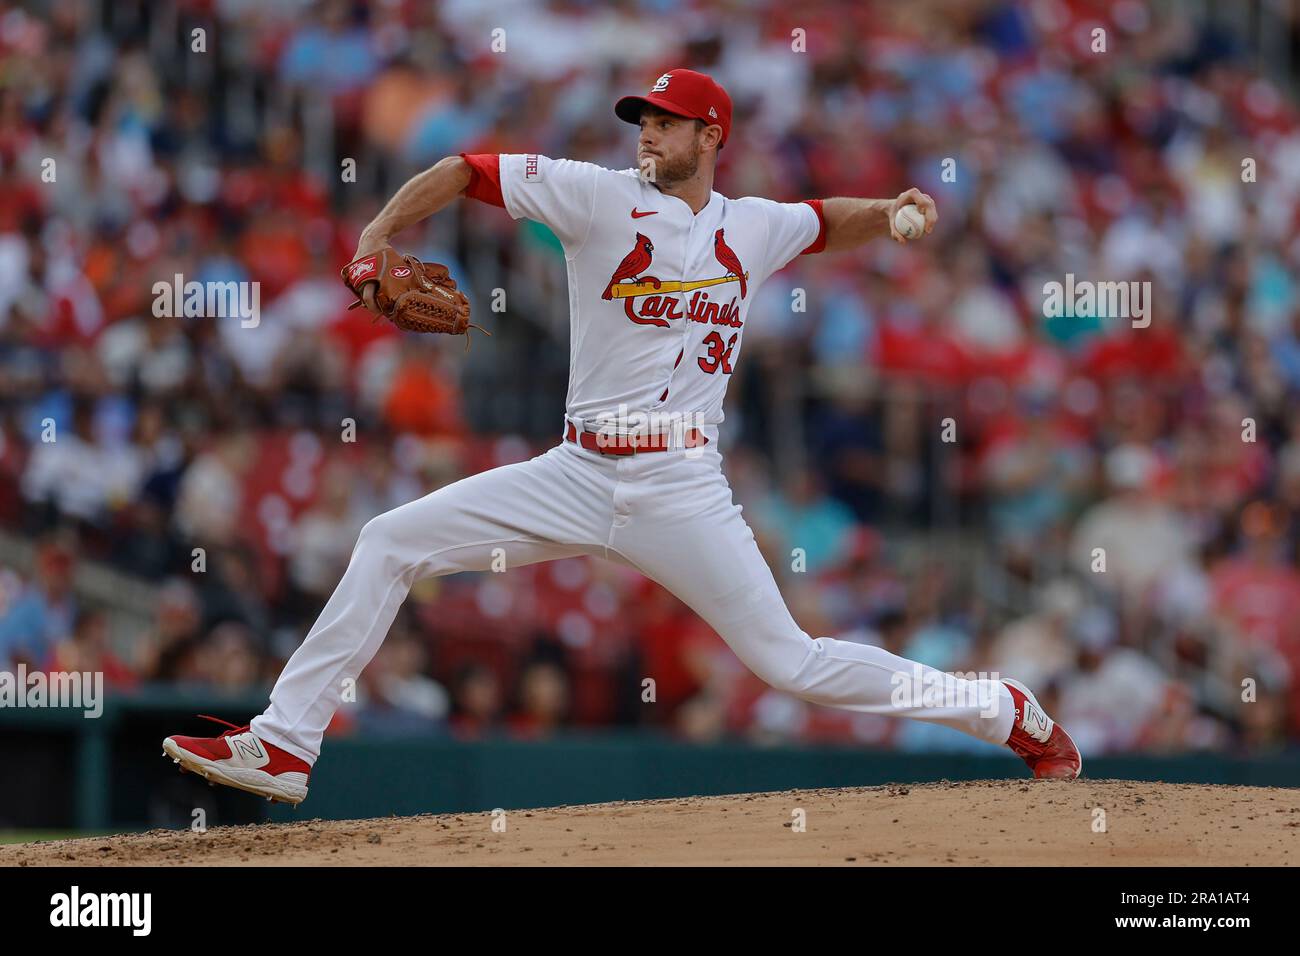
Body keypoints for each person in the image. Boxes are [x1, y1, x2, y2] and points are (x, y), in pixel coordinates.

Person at [162, 69, 1079, 805]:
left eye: (669, 122)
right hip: (576, 469)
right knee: (388, 541)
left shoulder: (749, 226)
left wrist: (885, 215)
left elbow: (822, 221)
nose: (649, 132)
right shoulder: (595, 197)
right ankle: (284, 745)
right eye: (644, 119)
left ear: (711, 137)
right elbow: (466, 170)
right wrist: (375, 232)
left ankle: (1002, 711)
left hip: (682, 488)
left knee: (791, 662)